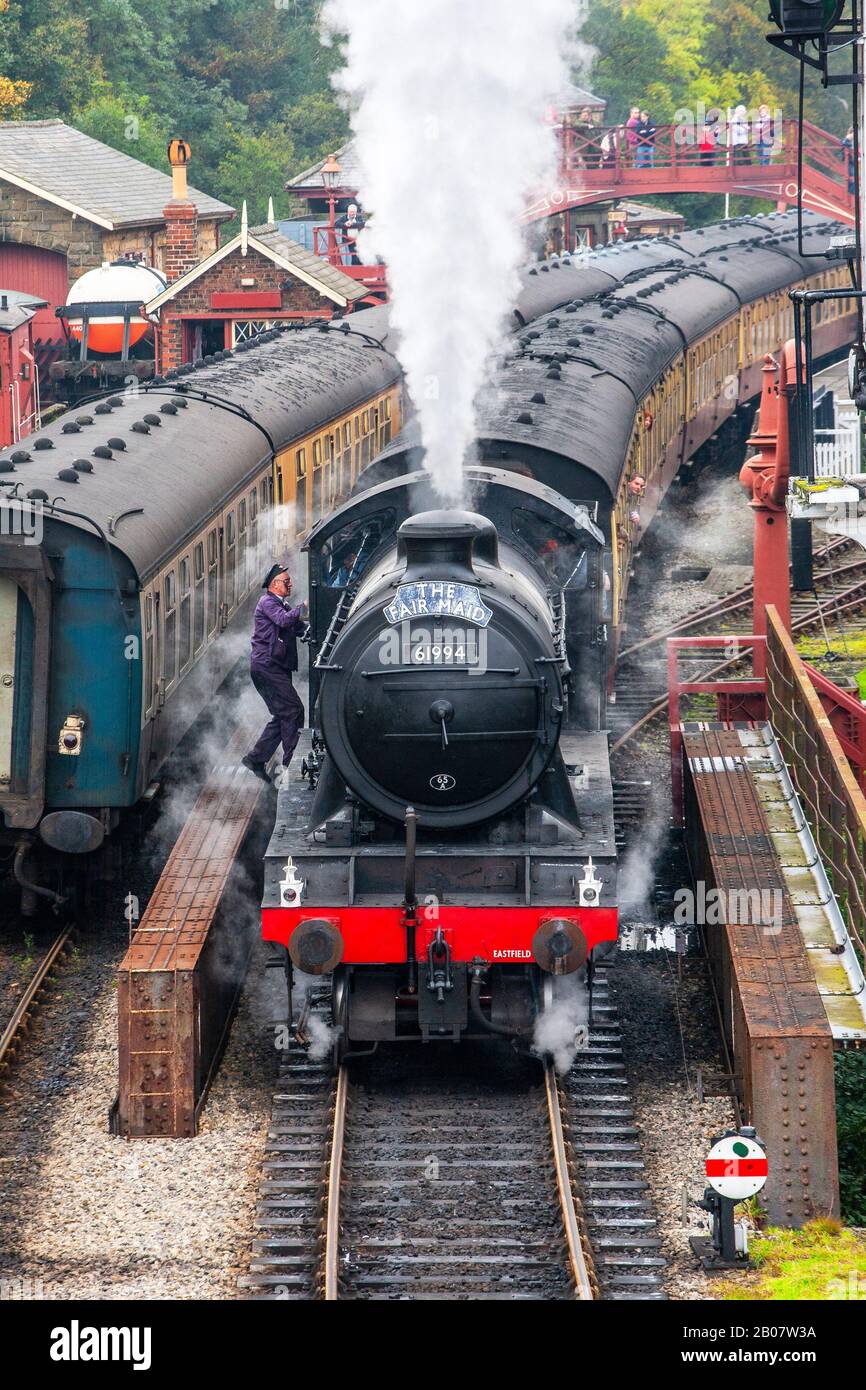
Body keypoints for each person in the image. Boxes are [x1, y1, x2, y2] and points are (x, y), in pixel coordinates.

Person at [242, 563, 307, 784]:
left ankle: (256, 759)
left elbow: (297, 626)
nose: (290, 585)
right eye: (286, 582)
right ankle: (291, 763)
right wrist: (304, 608)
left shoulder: (282, 604)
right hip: (267, 666)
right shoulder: (267, 602)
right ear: (274, 584)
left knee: (282, 715)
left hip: (276, 666)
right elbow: (284, 620)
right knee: (293, 710)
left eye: (290, 581)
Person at [842, 127, 855, 197]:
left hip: (850, 161)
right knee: (852, 176)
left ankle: (851, 191)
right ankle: (851, 192)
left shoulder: (848, 140)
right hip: (849, 161)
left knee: (852, 176)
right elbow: (844, 144)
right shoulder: (847, 139)